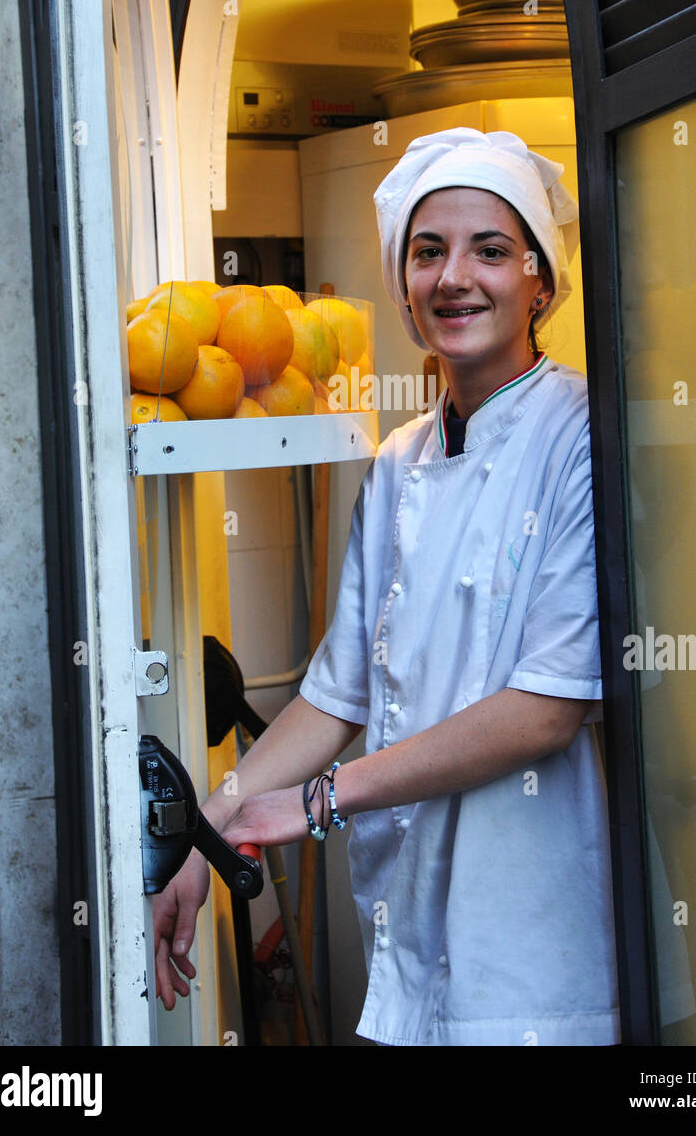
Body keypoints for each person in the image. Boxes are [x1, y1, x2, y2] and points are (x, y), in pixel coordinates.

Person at [153, 127, 620, 1046]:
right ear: (403, 293)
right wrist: (209, 823)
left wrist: (326, 799)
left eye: (489, 250)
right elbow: (338, 692)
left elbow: (544, 710)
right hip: (409, 902)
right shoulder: (399, 458)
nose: (454, 276)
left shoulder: (584, 434)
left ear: (542, 281)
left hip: (535, 910)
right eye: (427, 251)